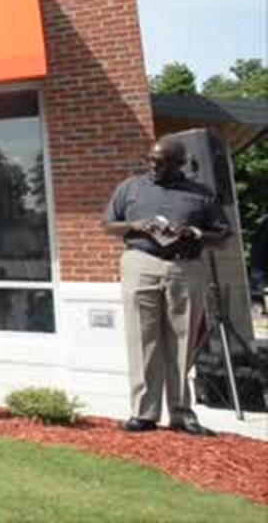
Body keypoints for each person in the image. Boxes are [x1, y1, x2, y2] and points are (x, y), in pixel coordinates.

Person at [104, 136, 229, 437]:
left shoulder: (200, 194)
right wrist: (134, 226)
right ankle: (143, 413)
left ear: (179, 164)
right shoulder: (130, 187)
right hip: (141, 263)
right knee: (142, 340)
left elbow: (223, 236)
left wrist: (194, 232)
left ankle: (181, 413)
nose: (153, 166)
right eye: (151, 160)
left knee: (182, 340)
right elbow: (108, 225)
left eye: (160, 162)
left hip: (184, 267)